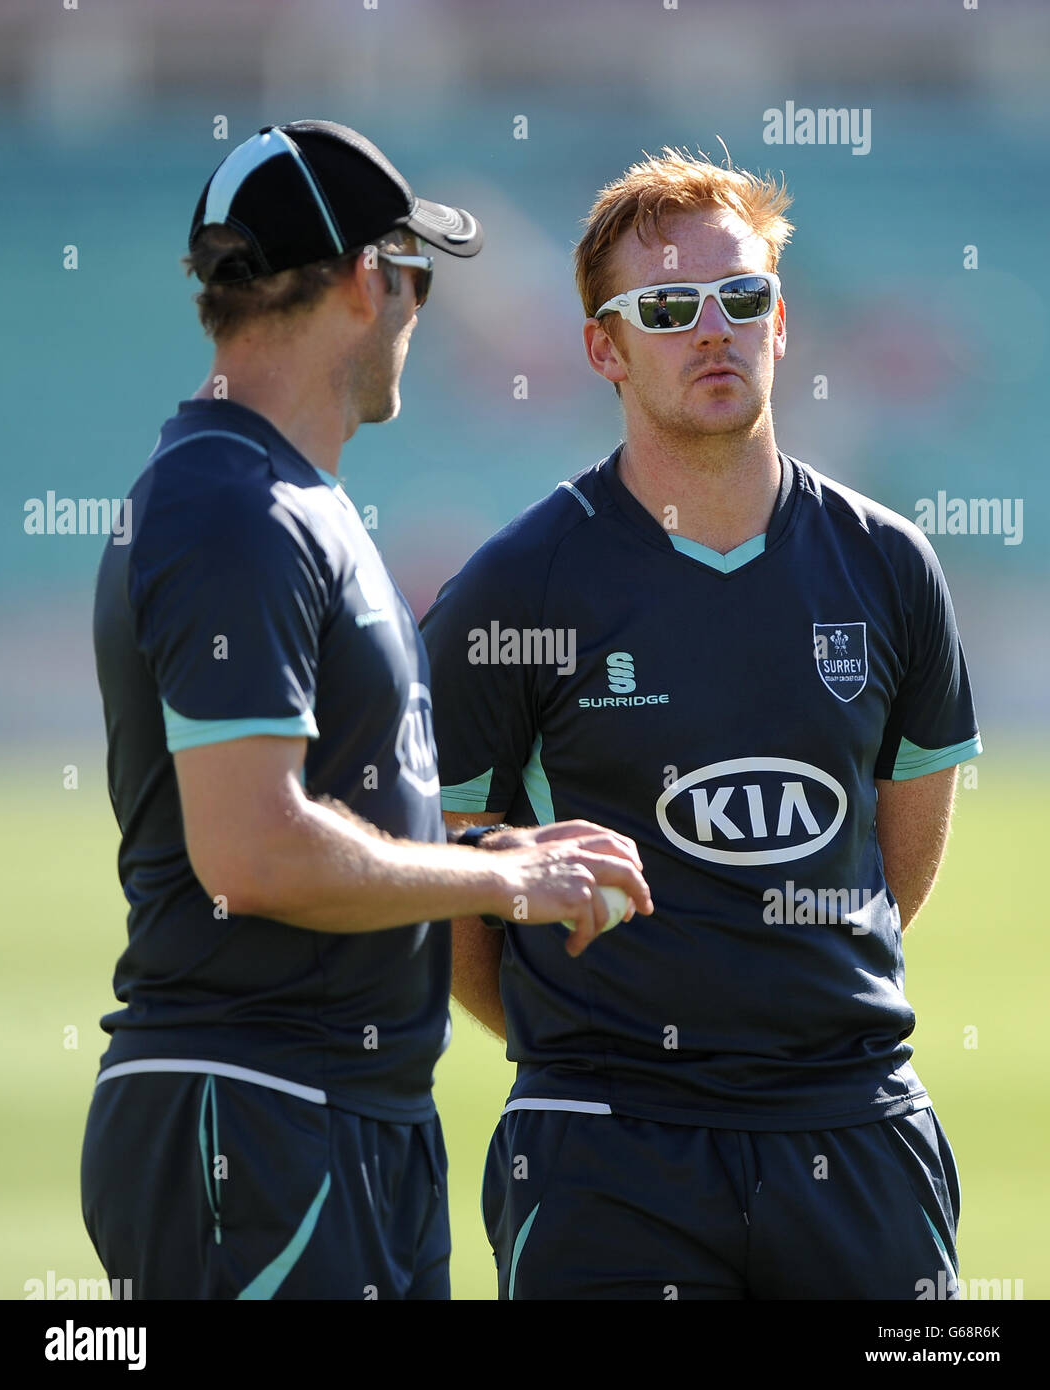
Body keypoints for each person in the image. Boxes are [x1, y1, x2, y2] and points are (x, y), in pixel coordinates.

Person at [80, 120, 651, 1302]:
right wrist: (498, 885)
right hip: (258, 1120)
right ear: (368, 277)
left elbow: (319, 821)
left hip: (326, 1119)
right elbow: (254, 853)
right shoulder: (230, 504)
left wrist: (484, 848)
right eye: (419, 276)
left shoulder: (279, 493)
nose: (417, 309)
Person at [420, 147, 982, 1300]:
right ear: (602, 348)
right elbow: (437, 886)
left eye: (740, 298)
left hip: (857, 1130)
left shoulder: (888, 567)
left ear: (780, 320)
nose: (711, 329)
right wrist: (572, 1032)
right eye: (667, 307)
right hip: (604, 1147)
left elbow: (896, 861)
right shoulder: (515, 588)